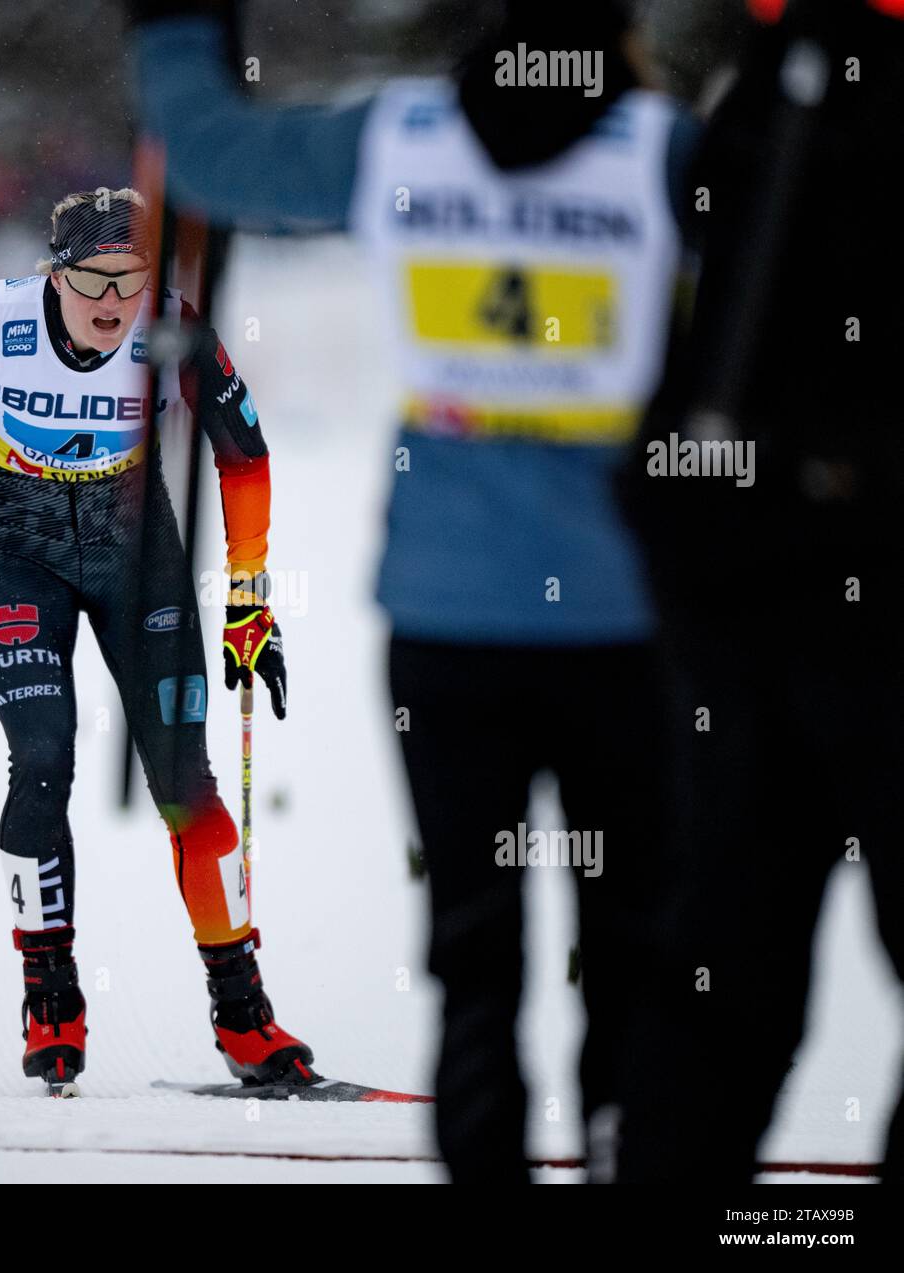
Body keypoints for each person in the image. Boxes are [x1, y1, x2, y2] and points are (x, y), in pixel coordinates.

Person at [129, 0, 696, 1178]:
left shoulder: (401, 138)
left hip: (445, 622)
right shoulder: (669, 151)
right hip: (627, 622)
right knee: (638, 942)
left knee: (472, 948)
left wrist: (173, 29)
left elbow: (212, 155)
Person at [0, 187, 312, 1094]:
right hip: (17, 549)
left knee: (183, 780)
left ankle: (244, 1014)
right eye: (94, 279)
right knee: (44, 755)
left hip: (138, 553)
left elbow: (245, 455)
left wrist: (248, 598)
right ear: (56, 273)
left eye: (131, 280)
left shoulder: (170, 327)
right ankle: (50, 991)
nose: (113, 302)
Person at [617, 0, 904, 1182]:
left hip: (748, 598)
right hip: (787, 597)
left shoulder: (765, 92)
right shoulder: (774, 96)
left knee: (715, 978)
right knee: (717, 978)